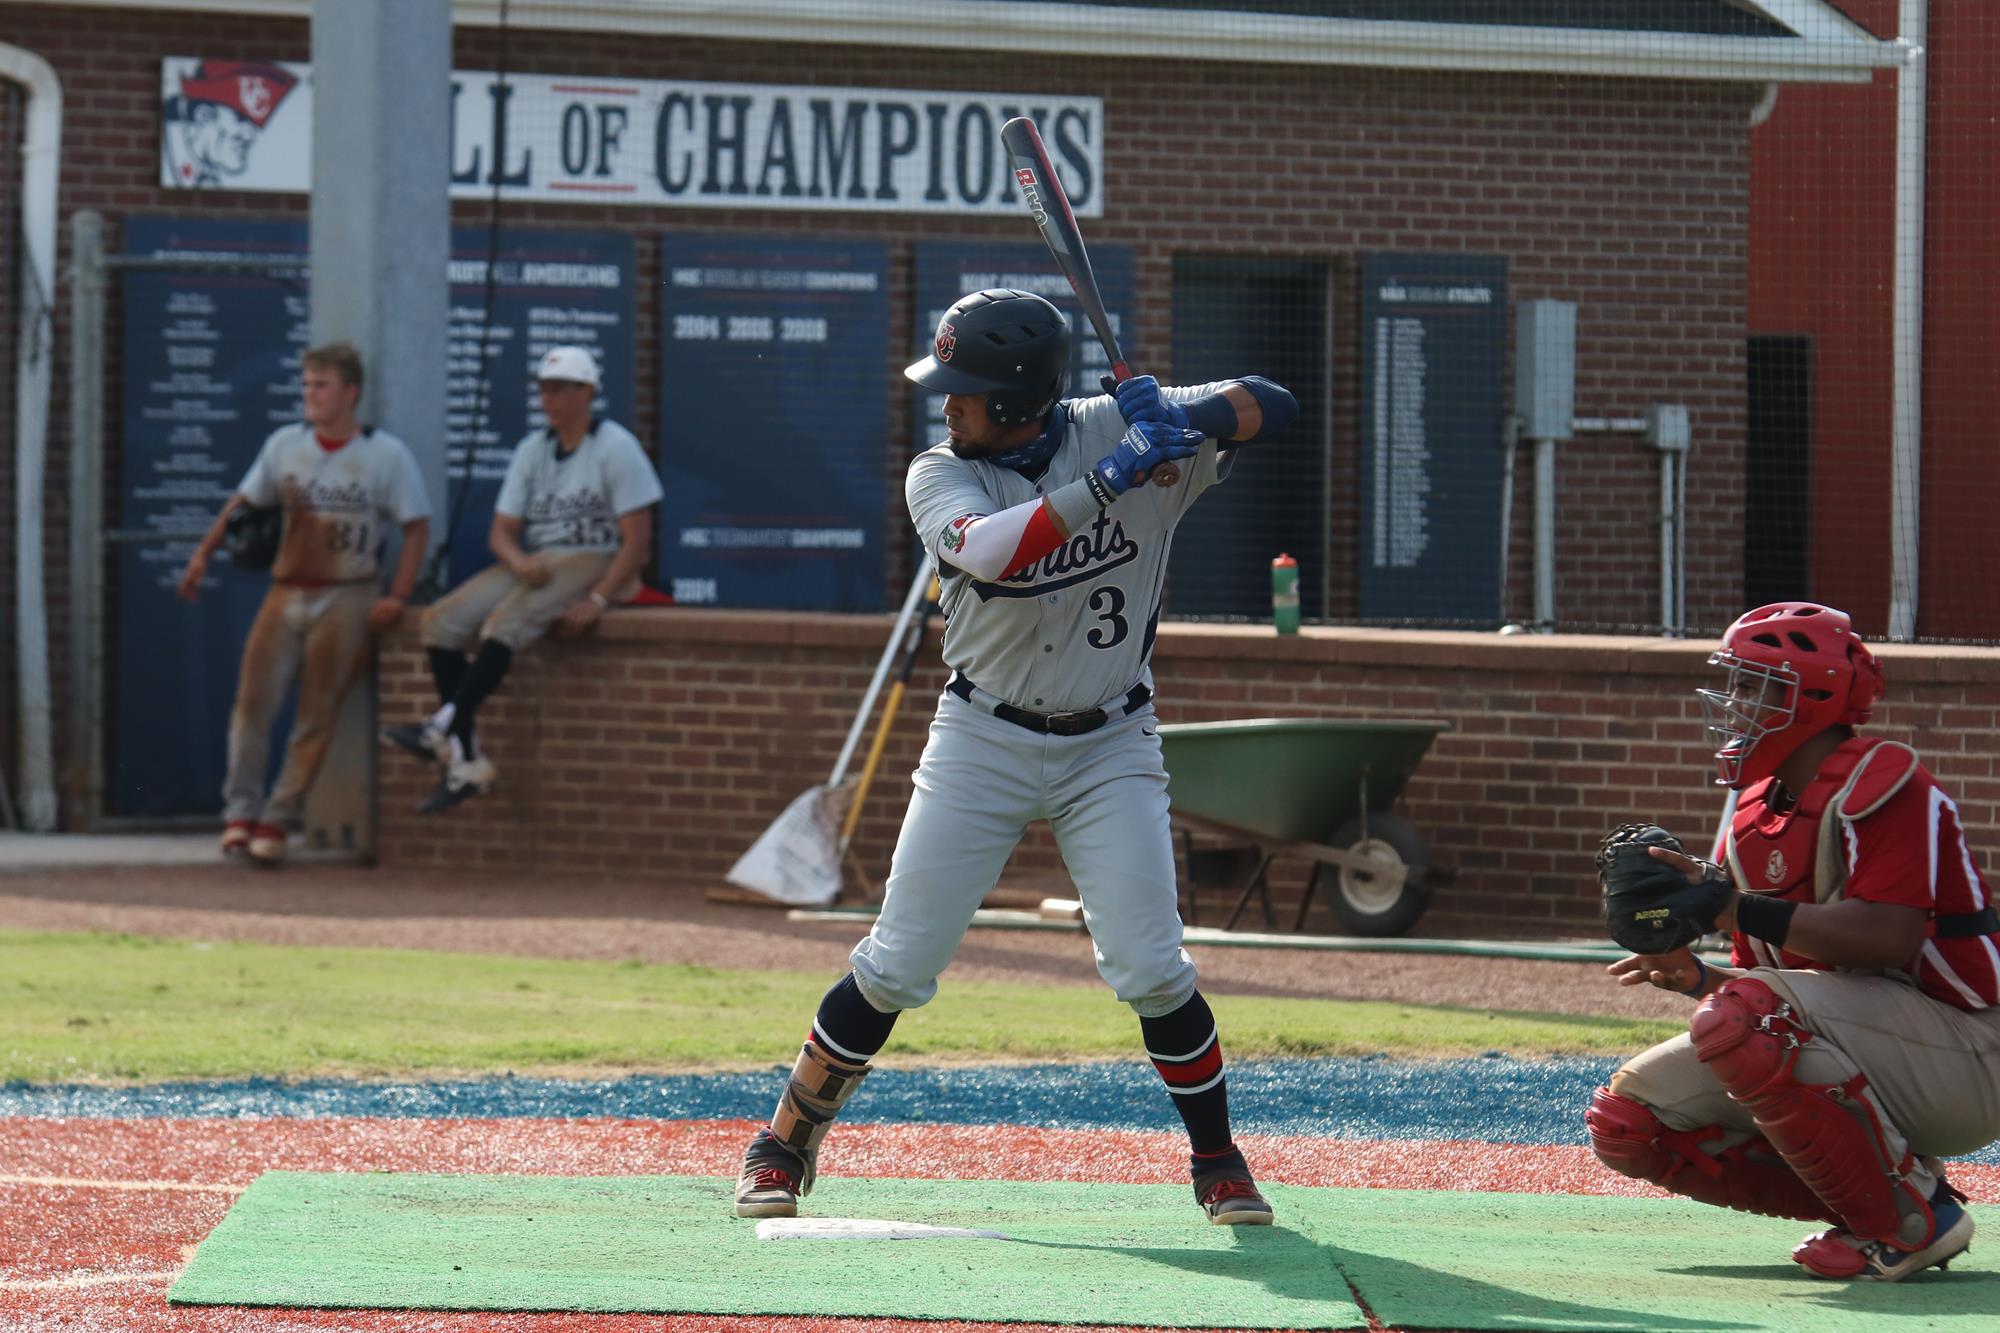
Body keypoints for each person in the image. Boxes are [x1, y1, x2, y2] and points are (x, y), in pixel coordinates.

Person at [731, 288, 1298, 1226]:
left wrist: (1183, 417)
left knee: (1153, 967)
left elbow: (1271, 401)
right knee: (896, 962)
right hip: (981, 738)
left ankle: (1220, 1161)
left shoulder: (1121, 426)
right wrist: (1115, 476)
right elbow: (993, 551)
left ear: (1022, 396)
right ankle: (783, 1144)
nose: (946, 405)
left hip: (1111, 740)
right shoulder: (939, 473)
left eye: (965, 390)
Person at [1588, 601, 2000, 1281]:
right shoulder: (1752, 816)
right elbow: (1766, 1011)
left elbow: (1887, 938)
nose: (1733, 702)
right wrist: (1693, 975)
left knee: (1747, 1013)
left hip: (1972, 1050)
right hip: (1896, 1054)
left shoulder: (1885, 781)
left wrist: (1729, 907)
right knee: (1629, 1121)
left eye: (1754, 685)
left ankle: (1909, 1222)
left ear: (1808, 694)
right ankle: (1895, 1190)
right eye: (1734, 683)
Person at [177, 341, 431, 865]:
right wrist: (204, 553)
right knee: (251, 706)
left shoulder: (385, 454)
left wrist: (399, 594)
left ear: (350, 392)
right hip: (287, 585)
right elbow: (246, 501)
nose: (310, 395)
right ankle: (239, 814)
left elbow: (416, 527)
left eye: (322, 385)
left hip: (348, 592)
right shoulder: (285, 445)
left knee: (316, 714)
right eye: (307, 384)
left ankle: (278, 817)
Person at [380, 345, 662, 813]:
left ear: (586, 392)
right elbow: (502, 531)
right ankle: (467, 758)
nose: (548, 399)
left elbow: (637, 540)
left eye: (559, 389)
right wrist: (516, 559)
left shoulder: (614, 445)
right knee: (440, 621)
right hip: (541, 559)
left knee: (504, 624)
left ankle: (443, 727)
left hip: (593, 555)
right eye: (544, 390)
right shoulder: (534, 449)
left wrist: (596, 599)